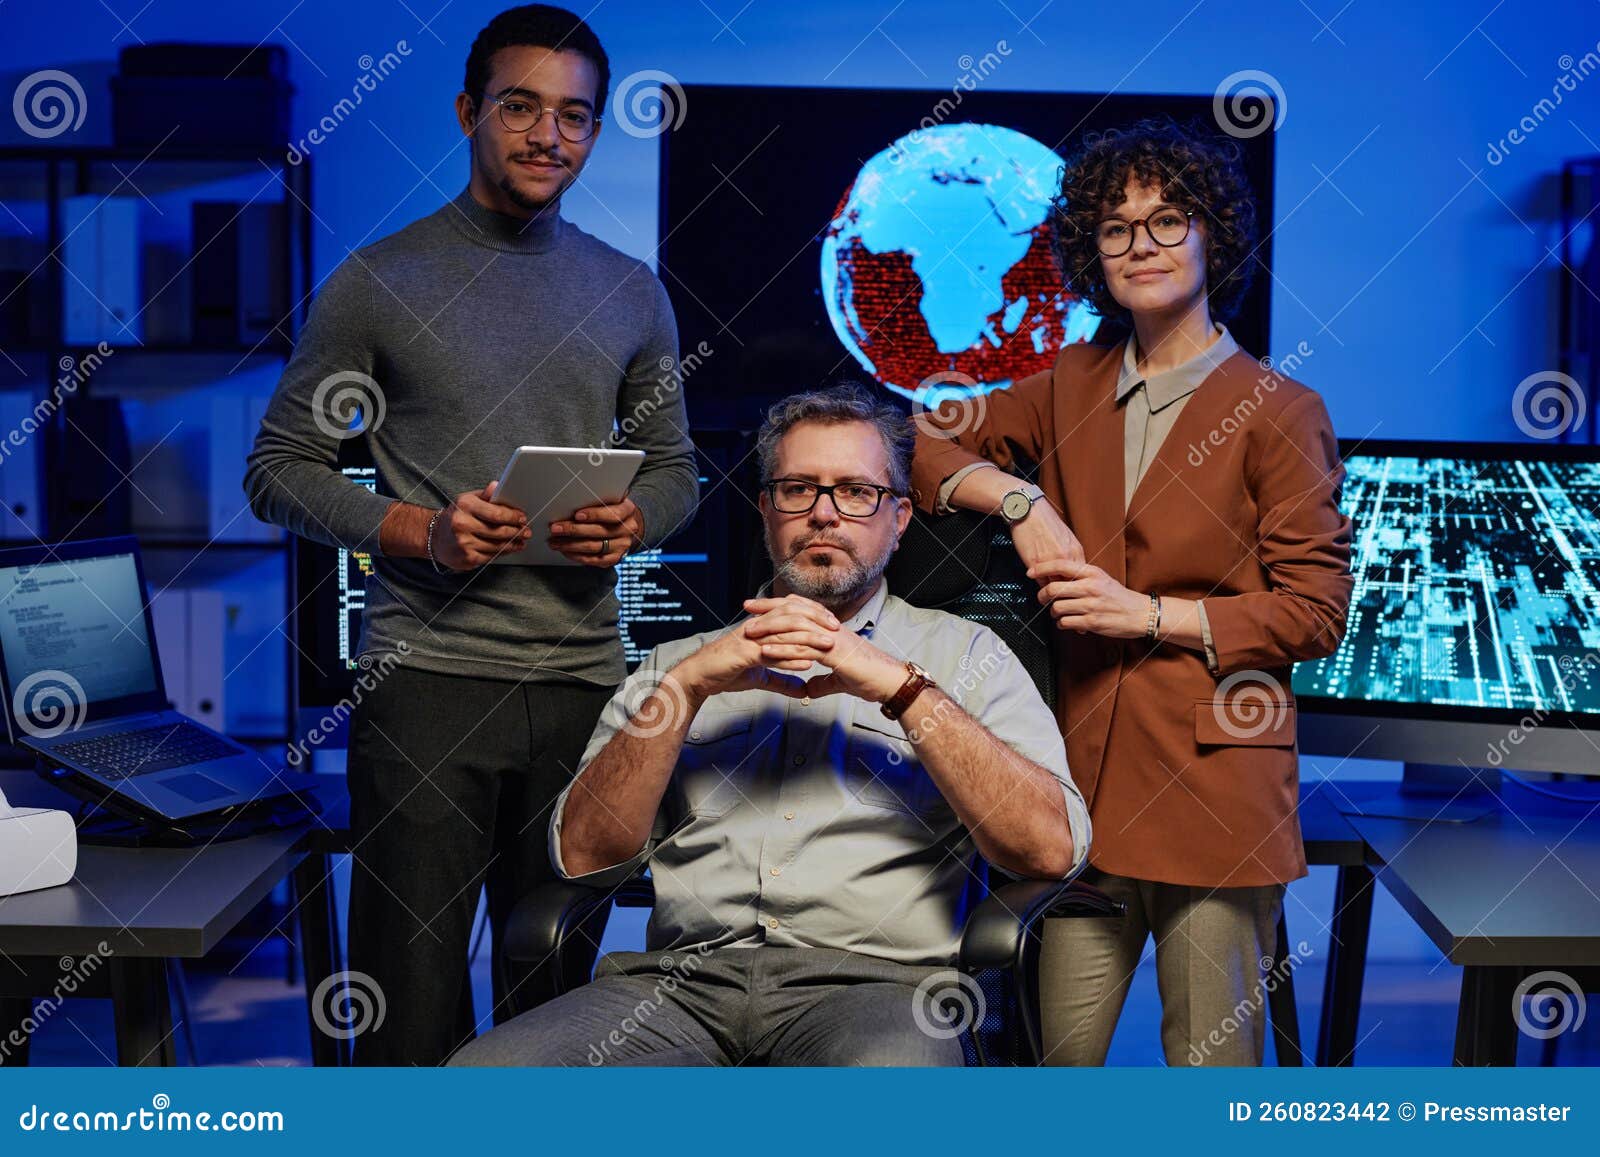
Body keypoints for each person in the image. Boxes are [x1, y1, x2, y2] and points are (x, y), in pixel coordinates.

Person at [243, 4, 699, 1065]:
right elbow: (278, 472)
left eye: (575, 116)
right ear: (468, 113)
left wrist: (636, 519)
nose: (549, 136)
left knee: (555, 1004)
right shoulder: (379, 279)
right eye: (521, 106)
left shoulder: (630, 290)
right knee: (409, 1002)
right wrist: (420, 530)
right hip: (426, 684)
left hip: (585, 684)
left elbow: (679, 469)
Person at [450, 383, 1091, 1066]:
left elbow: (1049, 851)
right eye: (798, 490)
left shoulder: (966, 658)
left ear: (899, 517)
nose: (824, 514)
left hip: (880, 991)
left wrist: (899, 687)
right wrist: (688, 689)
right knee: (487, 1078)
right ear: (766, 511)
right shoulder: (675, 664)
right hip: (676, 994)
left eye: (855, 491)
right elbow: (583, 855)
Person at [908, 118, 1353, 1066]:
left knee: (1207, 1072)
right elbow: (927, 437)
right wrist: (1023, 499)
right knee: (1056, 1065)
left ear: (1213, 237)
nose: (1140, 245)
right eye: (1115, 228)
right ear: (1090, 253)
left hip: (1216, 784)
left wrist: (1148, 615)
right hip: (1077, 783)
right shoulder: (1070, 380)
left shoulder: (1281, 413)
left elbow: (1316, 613)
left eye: (1166, 220)